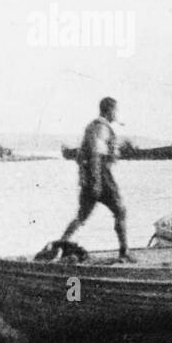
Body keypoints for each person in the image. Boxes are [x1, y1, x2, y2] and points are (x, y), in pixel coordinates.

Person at [58, 97, 133, 262]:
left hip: (90, 176)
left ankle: (60, 245)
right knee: (120, 211)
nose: (116, 114)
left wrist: (87, 179)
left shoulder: (92, 126)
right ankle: (124, 252)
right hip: (101, 175)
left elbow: (83, 156)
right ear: (109, 110)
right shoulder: (102, 128)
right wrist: (97, 182)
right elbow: (96, 155)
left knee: (82, 216)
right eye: (115, 110)